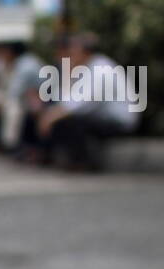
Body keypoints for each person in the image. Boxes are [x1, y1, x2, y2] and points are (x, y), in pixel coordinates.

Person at [37, 32, 140, 171]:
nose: (70, 55)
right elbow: (64, 98)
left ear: (85, 52)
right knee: (60, 118)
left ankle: (83, 162)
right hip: (100, 117)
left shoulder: (101, 69)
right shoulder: (86, 68)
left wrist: (49, 117)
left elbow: (78, 104)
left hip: (120, 122)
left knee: (71, 122)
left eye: (73, 51)